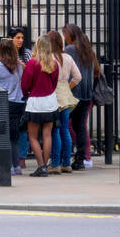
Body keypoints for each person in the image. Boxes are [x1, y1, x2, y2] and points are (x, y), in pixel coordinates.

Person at [20, 35, 60, 177]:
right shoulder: (54, 63)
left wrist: (27, 92)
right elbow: (54, 83)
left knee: (33, 137)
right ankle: (45, 165)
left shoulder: (32, 63)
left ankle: (41, 166)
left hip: (35, 101)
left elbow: (25, 84)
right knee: (48, 134)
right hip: (50, 100)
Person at [62, 23, 100, 170]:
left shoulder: (70, 50)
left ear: (70, 35)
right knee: (80, 127)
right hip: (86, 95)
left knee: (64, 125)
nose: (63, 37)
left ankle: (64, 156)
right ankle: (81, 158)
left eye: (64, 34)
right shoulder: (88, 50)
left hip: (73, 93)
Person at [46, 29, 81, 174]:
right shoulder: (67, 57)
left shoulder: (49, 58)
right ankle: (67, 163)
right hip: (65, 95)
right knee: (65, 129)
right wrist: (67, 86)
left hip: (53, 95)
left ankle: (55, 163)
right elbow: (78, 77)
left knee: (55, 130)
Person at [0, 38, 26, 176]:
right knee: (15, 136)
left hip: (3, 102)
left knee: (4, 136)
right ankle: (17, 166)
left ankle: (9, 165)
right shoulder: (19, 66)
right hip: (19, 102)